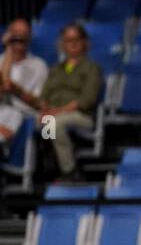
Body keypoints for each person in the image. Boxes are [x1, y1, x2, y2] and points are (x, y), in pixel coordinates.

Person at [37, 23, 103, 181]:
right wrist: (44, 109)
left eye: (76, 39)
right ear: (62, 44)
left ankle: (69, 171)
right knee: (35, 121)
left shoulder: (92, 68)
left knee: (54, 123)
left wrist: (56, 112)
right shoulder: (56, 69)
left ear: (84, 43)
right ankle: (48, 164)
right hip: (54, 114)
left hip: (80, 116)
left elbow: (87, 99)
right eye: (68, 40)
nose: (72, 44)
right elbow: (44, 95)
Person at [0, 19, 49, 158]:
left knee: (50, 122)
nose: (19, 38)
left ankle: (48, 163)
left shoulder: (39, 65)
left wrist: (17, 91)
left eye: (23, 34)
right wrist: (8, 49)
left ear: (30, 38)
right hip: (2, 111)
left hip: (27, 114)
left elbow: (40, 104)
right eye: (15, 34)